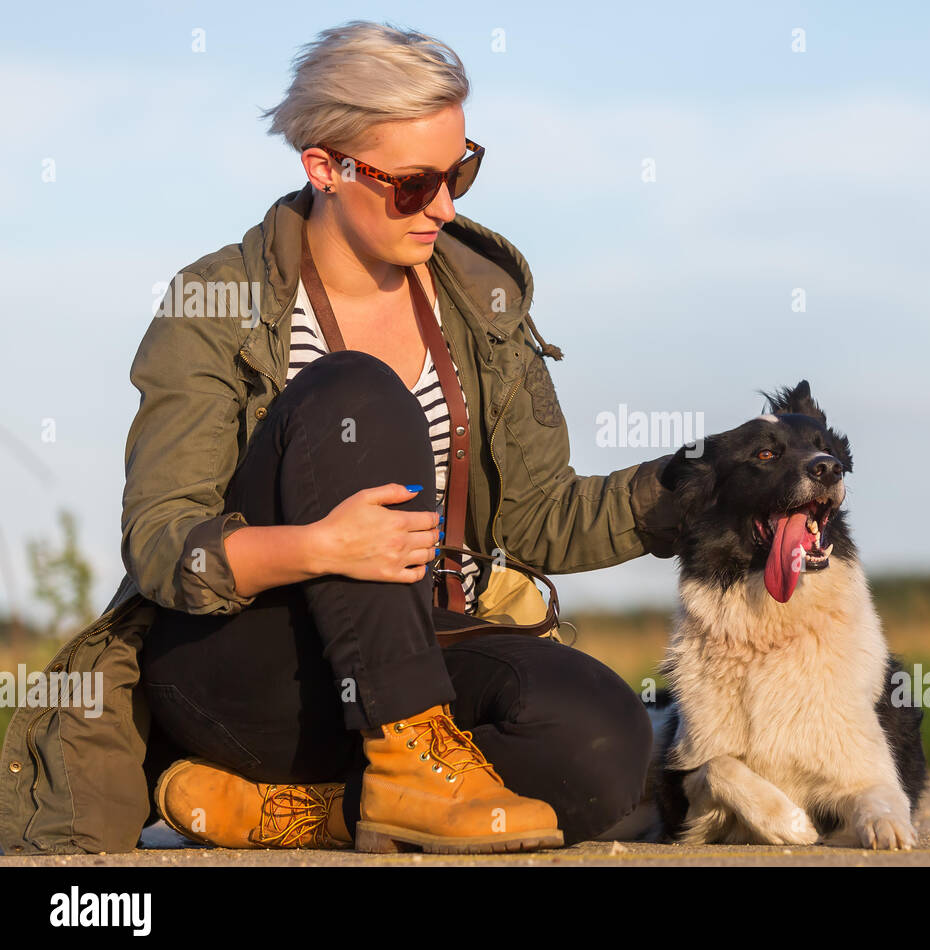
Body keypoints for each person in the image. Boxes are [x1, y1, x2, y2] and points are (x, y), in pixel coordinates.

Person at [130, 20, 684, 853]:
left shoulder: (477, 301)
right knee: (358, 391)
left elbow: (536, 515)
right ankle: (394, 771)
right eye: (414, 183)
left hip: (419, 644)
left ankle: (295, 812)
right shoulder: (214, 302)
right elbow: (163, 543)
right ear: (324, 165)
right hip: (251, 669)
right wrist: (316, 548)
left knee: (605, 745)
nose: (447, 205)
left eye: (460, 170)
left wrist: (701, 484)